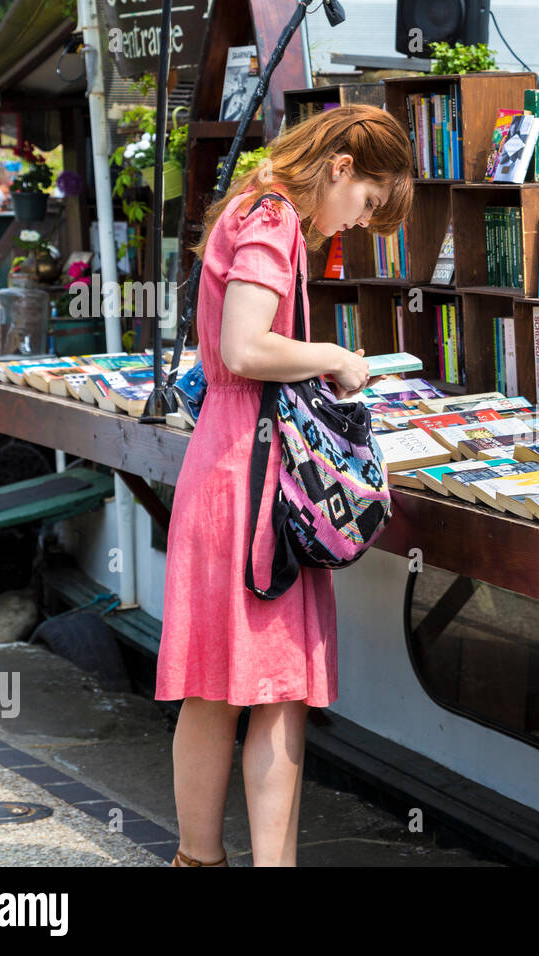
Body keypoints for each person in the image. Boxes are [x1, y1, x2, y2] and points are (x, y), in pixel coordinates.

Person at [156, 105, 413, 867]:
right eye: (365, 204)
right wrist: (333, 357)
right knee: (275, 692)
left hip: (223, 470)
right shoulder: (274, 220)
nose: (354, 225)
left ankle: (197, 860)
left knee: (209, 689)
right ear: (340, 168)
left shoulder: (247, 205)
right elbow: (242, 347)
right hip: (258, 484)